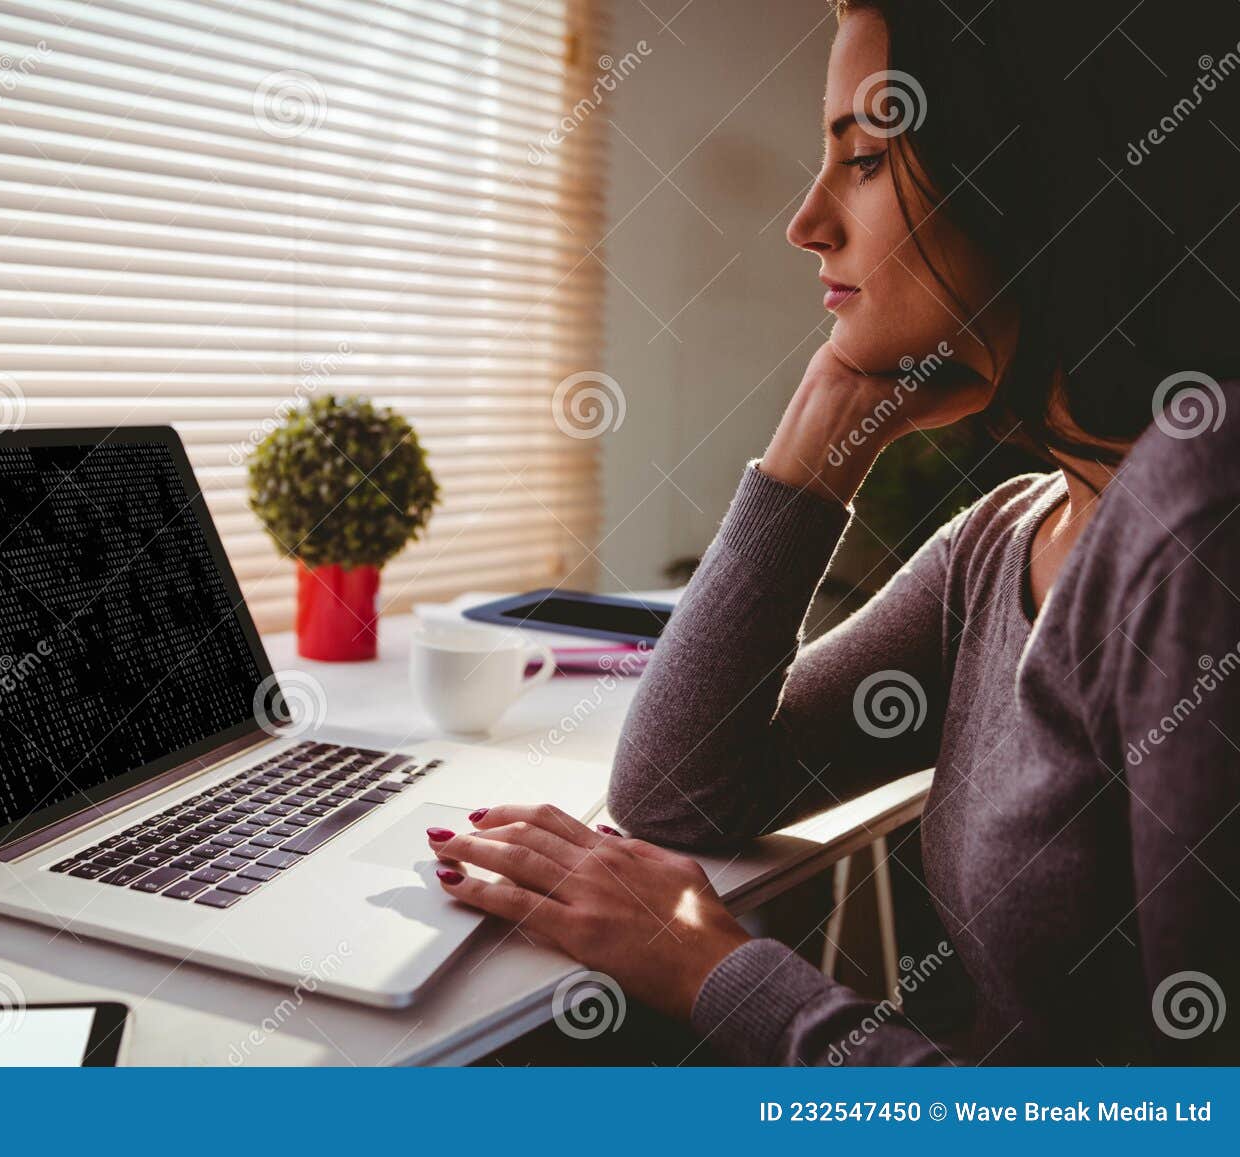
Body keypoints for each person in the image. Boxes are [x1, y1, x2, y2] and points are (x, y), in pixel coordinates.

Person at [423, 0, 1240, 1064]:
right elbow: (681, 790)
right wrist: (820, 428)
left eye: (861, 158)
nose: (805, 221)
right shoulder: (1004, 539)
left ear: (1032, 168)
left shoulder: (1198, 514)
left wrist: (713, 966)